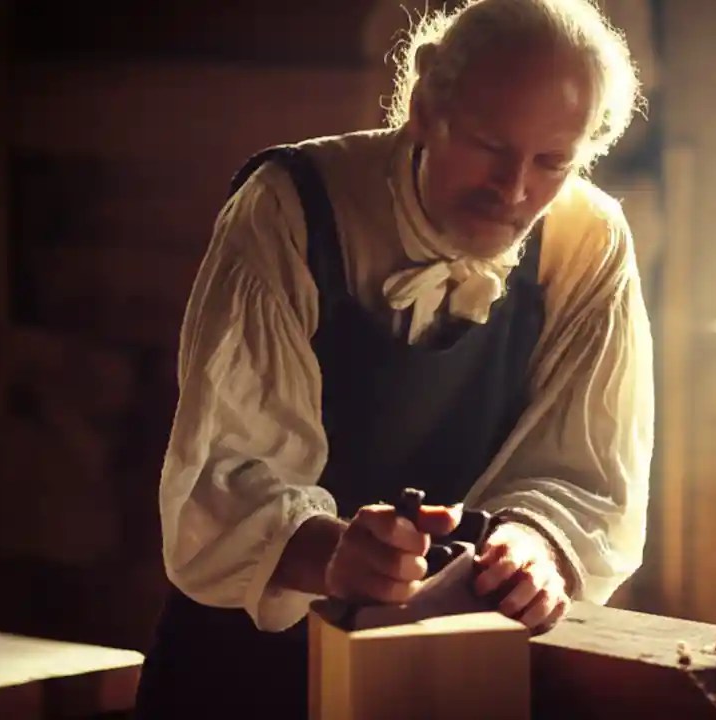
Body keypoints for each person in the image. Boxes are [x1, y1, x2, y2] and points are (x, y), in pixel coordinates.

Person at [134, 0, 654, 716]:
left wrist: (533, 547)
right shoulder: (290, 210)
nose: (514, 190)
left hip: (442, 669)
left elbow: (589, 474)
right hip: (246, 671)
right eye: (488, 146)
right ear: (422, 107)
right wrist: (332, 553)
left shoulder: (587, 243)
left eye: (551, 162)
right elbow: (223, 475)